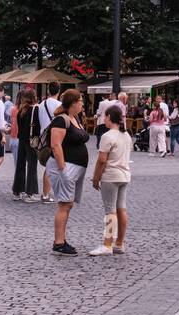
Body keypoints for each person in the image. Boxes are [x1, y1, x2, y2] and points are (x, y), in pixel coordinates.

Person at [47, 90, 91, 256]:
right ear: (72, 102)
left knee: (68, 204)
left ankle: (61, 239)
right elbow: (55, 145)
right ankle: (58, 242)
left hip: (75, 167)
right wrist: (63, 168)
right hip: (65, 168)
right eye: (80, 101)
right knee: (64, 204)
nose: (82, 103)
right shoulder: (61, 120)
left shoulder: (76, 119)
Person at [89, 103, 133, 255]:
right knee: (121, 209)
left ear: (109, 117)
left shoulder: (107, 136)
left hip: (111, 176)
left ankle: (107, 244)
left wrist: (95, 178)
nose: (103, 120)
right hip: (124, 175)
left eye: (104, 117)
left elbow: (102, 160)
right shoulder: (126, 135)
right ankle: (119, 243)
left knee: (110, 211)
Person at [11, 89, 40, 201]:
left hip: (21, 139)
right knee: (32, 165)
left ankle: (17, 191)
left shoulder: (21, 111)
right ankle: (30, 193)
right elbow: (37, 126)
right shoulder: (35, 110)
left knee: (20, 165)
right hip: (31, 140)